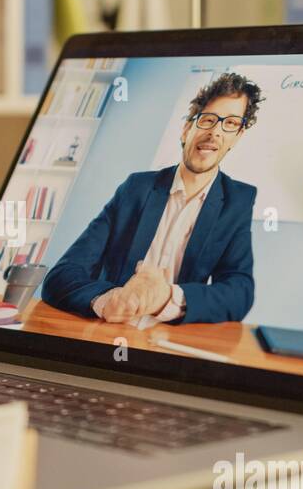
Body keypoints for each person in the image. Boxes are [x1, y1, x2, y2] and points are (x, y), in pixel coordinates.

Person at [41, 72, 263, 325]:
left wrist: (167, 298)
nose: (215, 132)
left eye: (231, 123)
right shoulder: (136, 188)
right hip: (108, 329)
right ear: (186, 129)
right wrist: (108, 299)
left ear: (238, 136)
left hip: (169, 340)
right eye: (208, 120)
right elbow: (61, 275)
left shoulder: (238, 201)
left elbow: (240, 293)